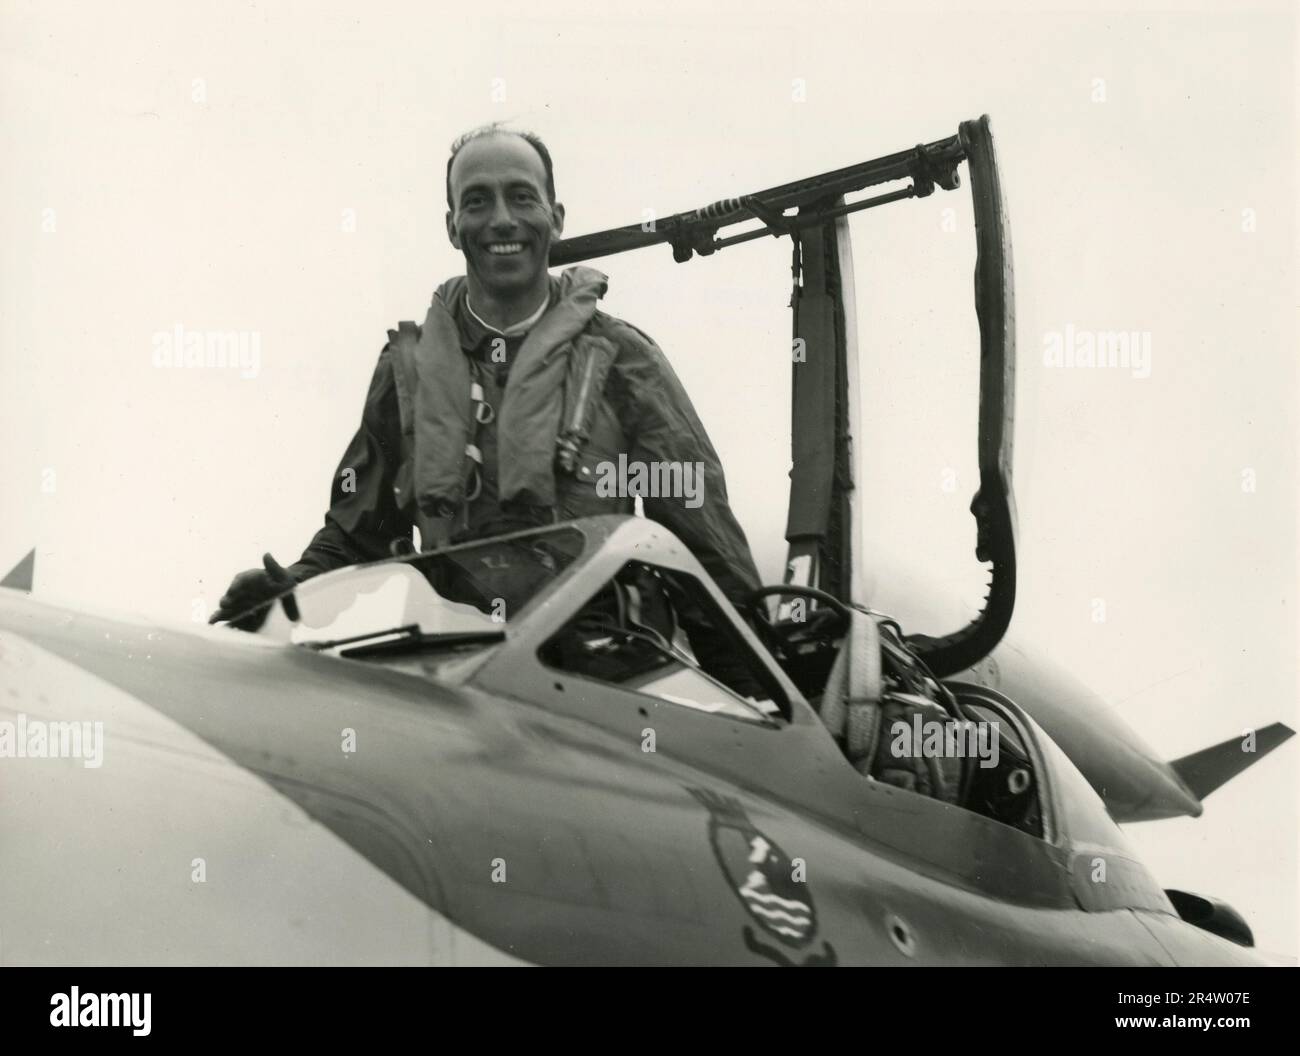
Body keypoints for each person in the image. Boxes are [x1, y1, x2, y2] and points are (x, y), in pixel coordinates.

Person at [212, 124, 762, 685]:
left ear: (557, 216)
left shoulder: (625, 361)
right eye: (477, 201)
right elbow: (355, 534)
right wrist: (288, 589)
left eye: (522, 197)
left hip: (605, 688)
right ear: (453, 227)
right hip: (457, 682)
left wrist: (763, 700)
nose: (502, 219)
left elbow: (706, 554)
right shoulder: (405, 370)